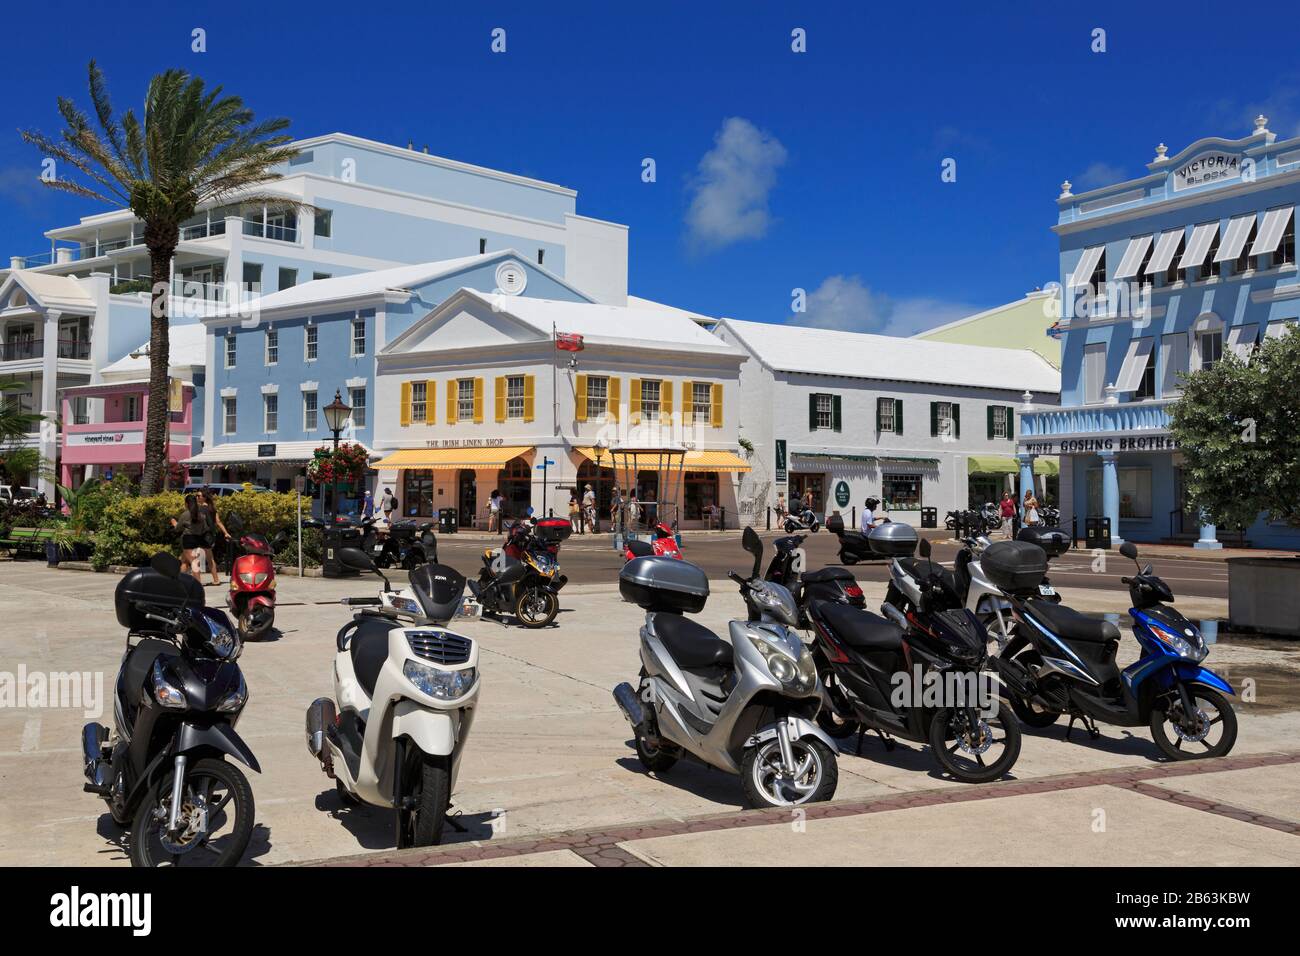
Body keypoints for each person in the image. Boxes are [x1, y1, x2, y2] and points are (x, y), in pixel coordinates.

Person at [170, 494, 208, 578]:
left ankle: (198, 585)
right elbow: (205, 529)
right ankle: (179, 582)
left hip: (187, 540)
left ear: (186, 504)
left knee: (193, 562)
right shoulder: (201, 515)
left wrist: (174, 523)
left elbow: (177, 529)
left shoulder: (185, 514)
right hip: (198, 539)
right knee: (185, 562)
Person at [198, 488, 229, 586]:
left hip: (201, 535)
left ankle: (197, 581)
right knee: (209, 558)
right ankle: (216, 580)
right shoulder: (212, 508)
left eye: (199, 496)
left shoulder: (200, 509)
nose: (197, 497)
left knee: (195, 558)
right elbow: (218, 522)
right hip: (210, 536)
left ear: (204, 498)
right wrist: (226, 533)